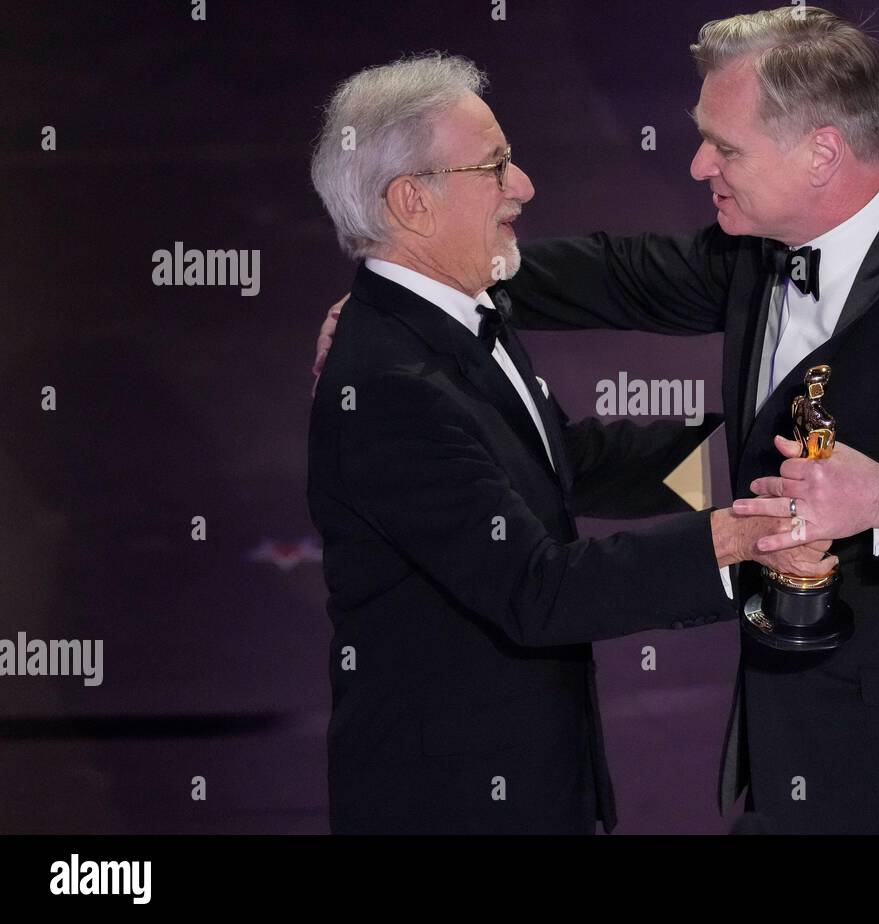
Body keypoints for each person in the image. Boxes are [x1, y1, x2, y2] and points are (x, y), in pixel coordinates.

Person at [315, 6, 879, 833]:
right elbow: (617, 276)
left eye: (725, 147)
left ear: (821, 153)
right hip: (789, 754)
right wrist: (420, 284)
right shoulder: (758, 250)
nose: (698, 164)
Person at [306, 53, 832, 834]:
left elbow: (559, 464)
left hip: (531, 784)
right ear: (412, 201)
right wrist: (732, 543)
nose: (523, 187)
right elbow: (536, 590)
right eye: (495, 168)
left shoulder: (461, 315)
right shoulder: (390, 386)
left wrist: (752, 468)